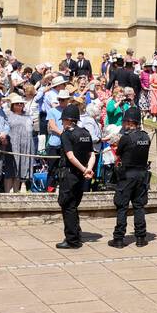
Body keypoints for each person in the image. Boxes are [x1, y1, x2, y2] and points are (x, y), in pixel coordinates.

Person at [109, 107, 151, 248]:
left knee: (122, 206)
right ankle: (140, 237)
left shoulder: (126, 138)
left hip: (127, 175)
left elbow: (119, 152)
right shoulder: (146, 137)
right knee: (139, 206)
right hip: (142, 174)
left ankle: (119, 238)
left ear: (128, 122)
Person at [56, 102, 95, 249]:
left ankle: (72, 240)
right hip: (81, 176)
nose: (63, 123)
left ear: (67, 120)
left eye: (63, 120)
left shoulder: (67, 134)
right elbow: (92, 154)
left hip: (70, 174)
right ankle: (76, 234)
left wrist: (84, 169)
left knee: (68, 206)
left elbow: (71, 157)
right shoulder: (85, 133)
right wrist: (88, 169)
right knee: (74, 205)